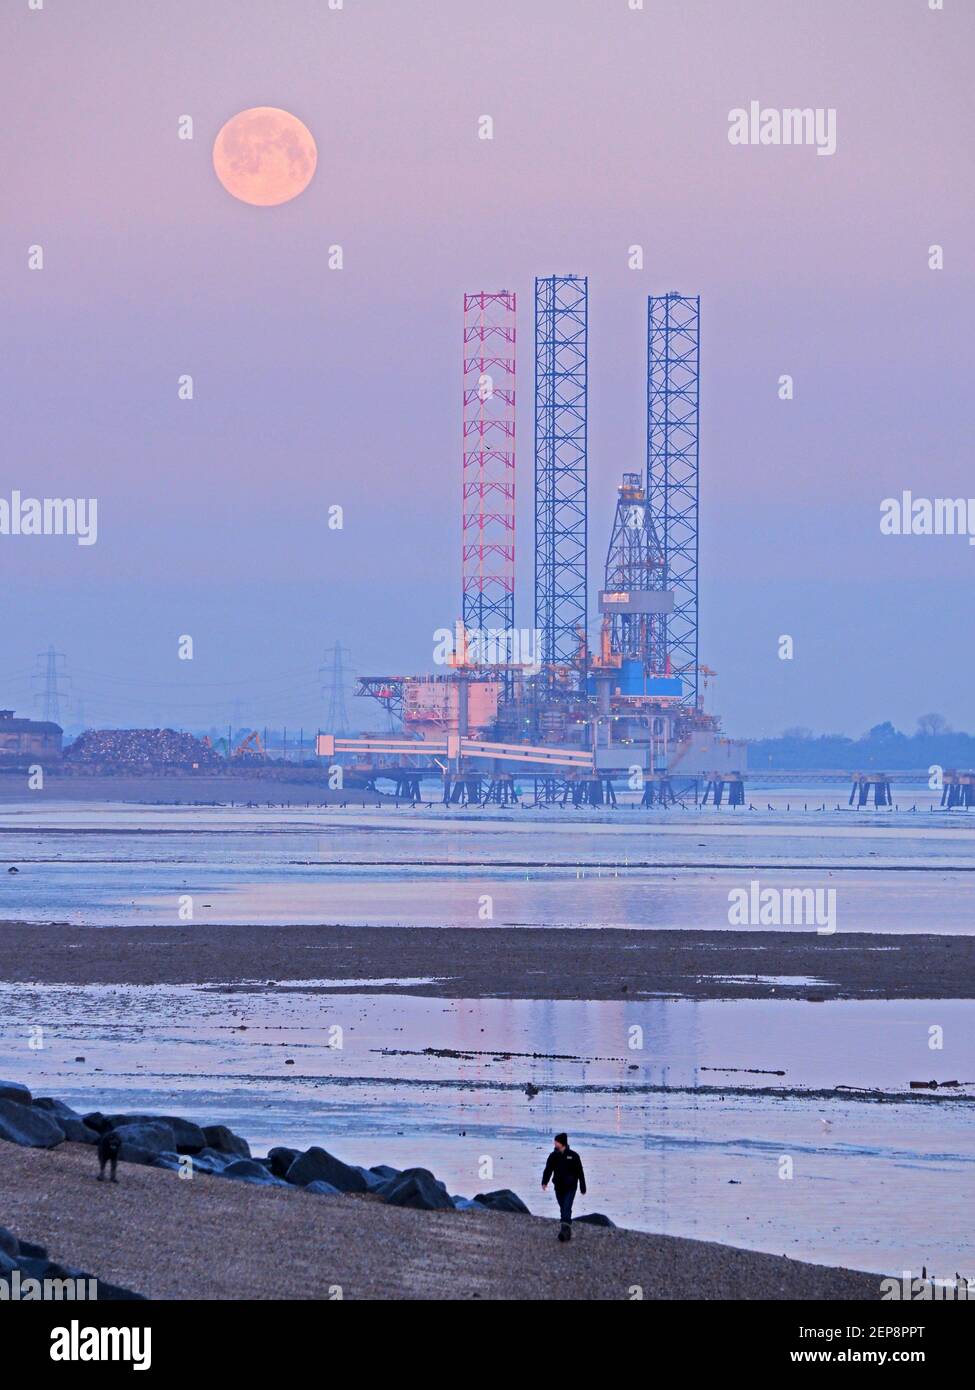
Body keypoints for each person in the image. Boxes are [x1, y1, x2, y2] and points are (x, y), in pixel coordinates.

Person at [541, 1132, 586, 1241]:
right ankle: (567, 1231)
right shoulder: (553, 1156)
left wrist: (582, 1186)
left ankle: (564, 1232)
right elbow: (548, 1169)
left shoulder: (574, 1156)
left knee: (566, 1207)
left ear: (562, 1143)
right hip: (558, 1187)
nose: (555, 1143)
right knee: (563, 1208)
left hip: (571, 1187)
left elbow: (580, 1172)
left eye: (556, 1142)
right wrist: (544, 1182)